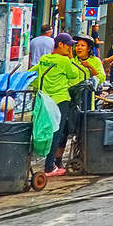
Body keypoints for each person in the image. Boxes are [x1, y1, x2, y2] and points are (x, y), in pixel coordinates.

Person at [33, 33, 87, 176]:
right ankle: (49, 167)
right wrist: (70, 57)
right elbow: (74, 74)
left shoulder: (44, 59)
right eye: (69, 45)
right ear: (61, 45)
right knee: (57, 133)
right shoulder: (64, 61)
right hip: (61, 101)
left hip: (46, 100)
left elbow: (33, 73)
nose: (70, 48)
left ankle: (49, 163)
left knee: (47, 130)